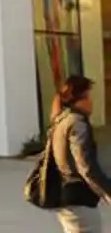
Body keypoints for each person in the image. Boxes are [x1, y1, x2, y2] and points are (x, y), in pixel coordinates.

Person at [49, 75, 111, 232]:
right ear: (79, 99)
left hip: (67, 196)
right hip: (78, 199)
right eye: (88, 97)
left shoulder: (61, 119)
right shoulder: (77, 123)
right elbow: (85, 166)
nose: (92, 102)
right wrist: (107, 192)